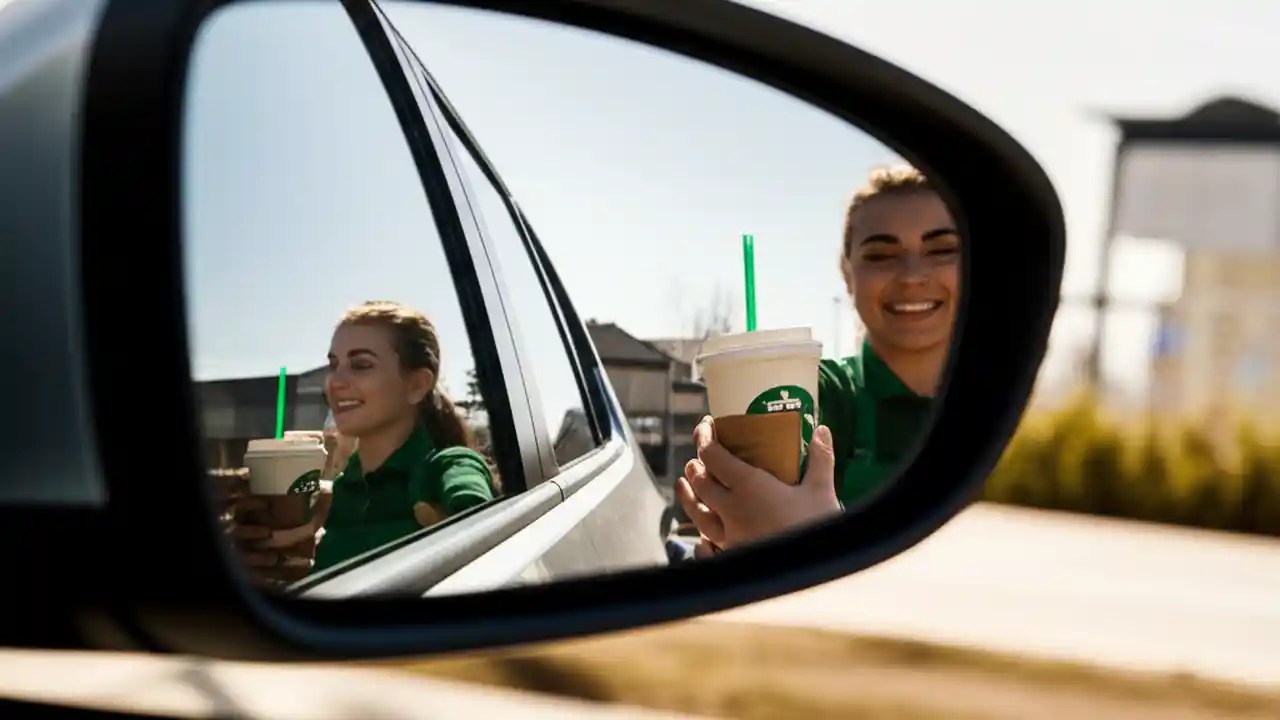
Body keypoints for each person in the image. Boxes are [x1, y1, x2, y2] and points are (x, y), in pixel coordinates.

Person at [676, 165, 959, 555]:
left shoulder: (1003, 406)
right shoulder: (817, 394)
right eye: (881, 254)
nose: (912, 276)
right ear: (847, 271)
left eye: (942, 250)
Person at [221, 300, 496, 586]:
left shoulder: (447, 466)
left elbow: (481, 521)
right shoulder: (341, 491)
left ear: (416, 385)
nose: (334, 382)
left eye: (361, 365)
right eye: (334, 364)